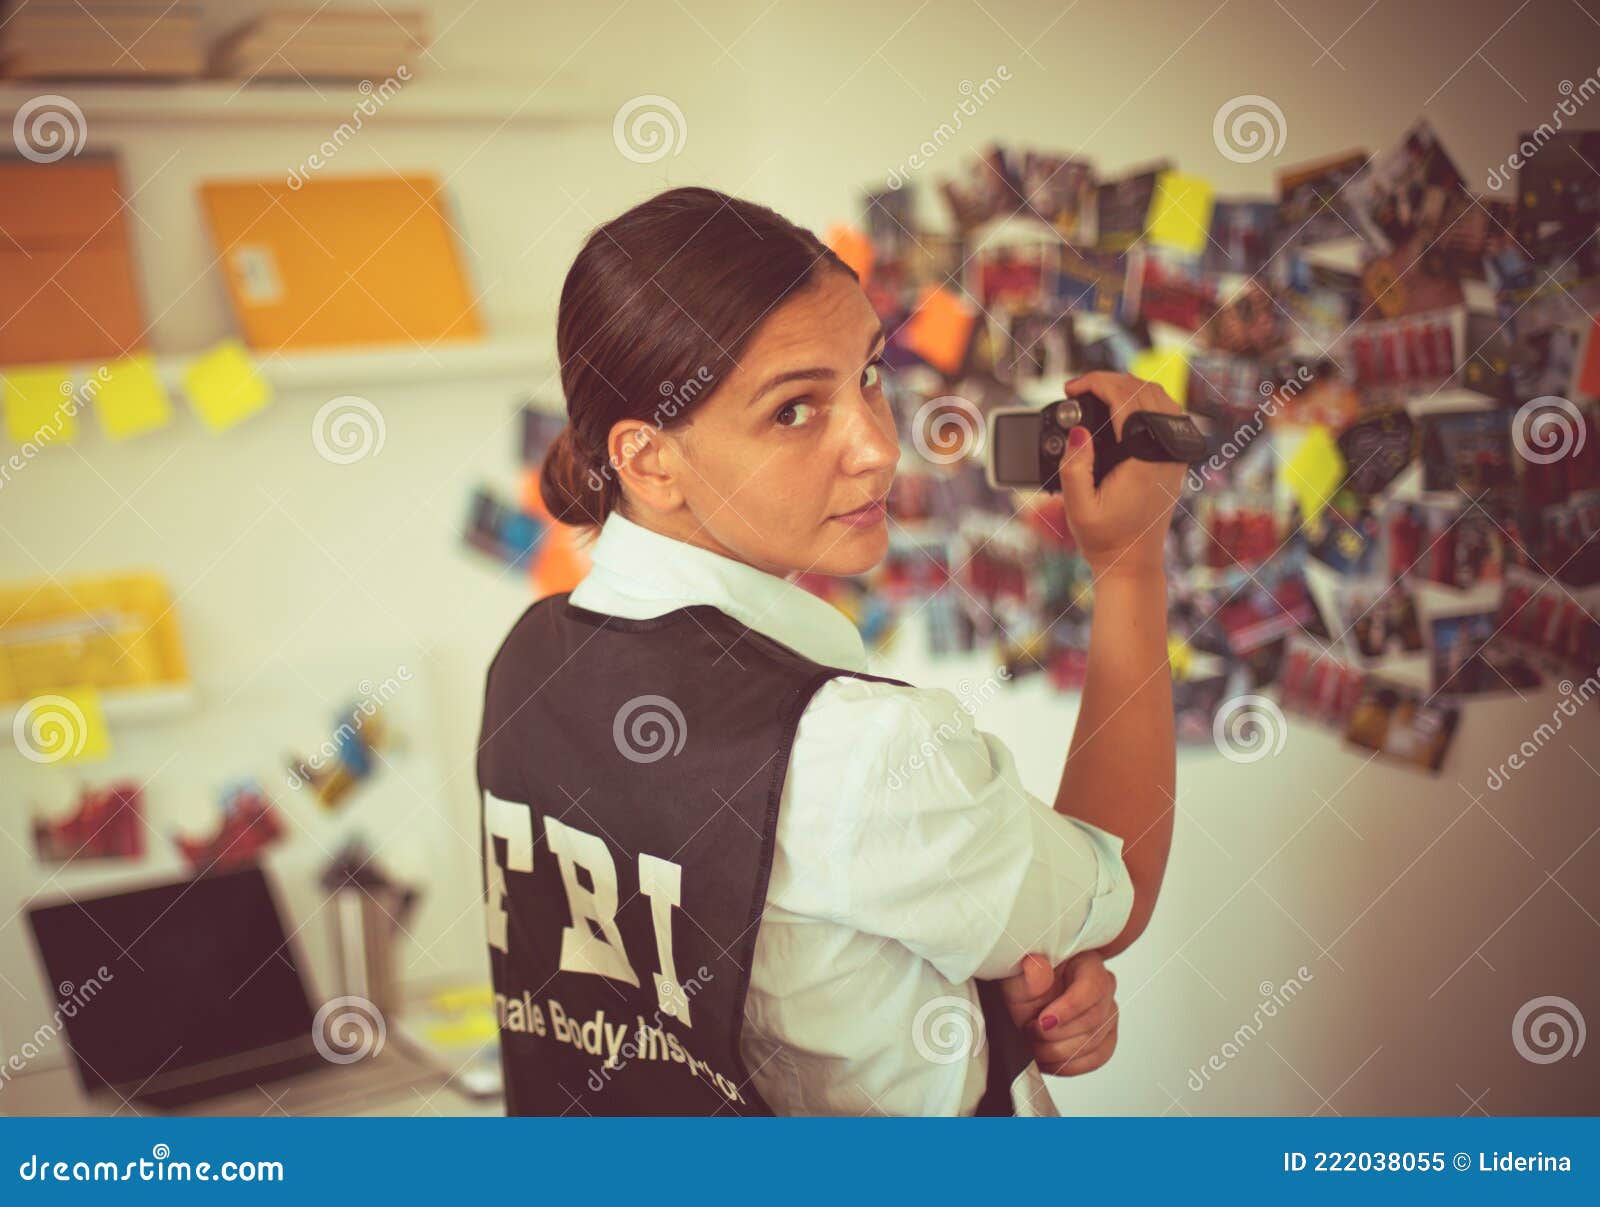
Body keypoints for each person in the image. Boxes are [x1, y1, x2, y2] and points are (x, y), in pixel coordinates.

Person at [477, 186, 1182, 1116]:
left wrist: (979, 997)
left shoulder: (528, 664)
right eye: (793, 411)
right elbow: (1115, 887)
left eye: (869, 374)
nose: (878, 447)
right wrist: (1130, 569)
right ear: (649, 462)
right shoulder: (857, 745)